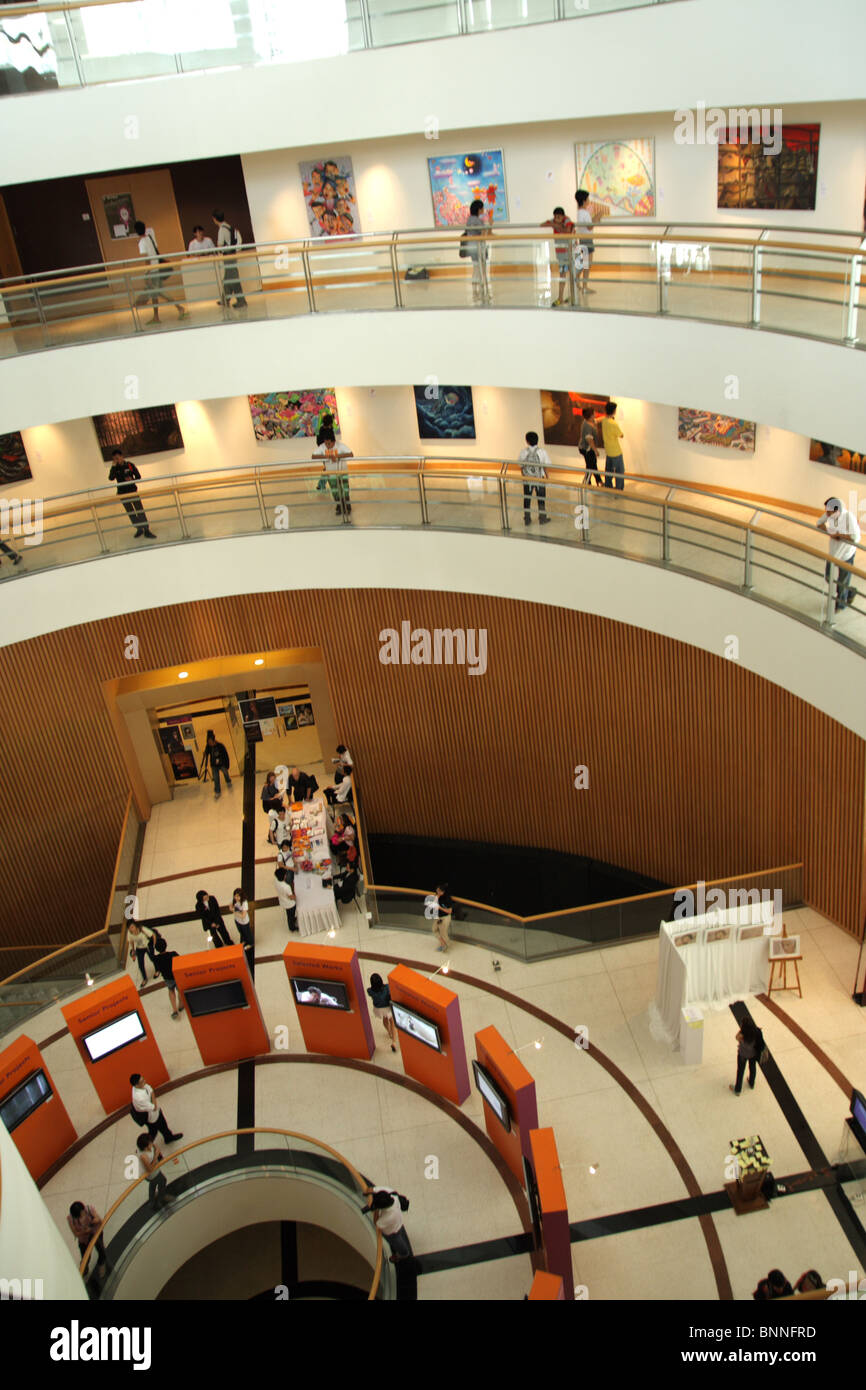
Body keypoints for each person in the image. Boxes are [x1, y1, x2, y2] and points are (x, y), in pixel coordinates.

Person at [133, 219, 187, 325]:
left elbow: (146, 259)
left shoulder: (142, 243)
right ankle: (156, 316)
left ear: (136, 231)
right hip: (156, 268)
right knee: (155, 293)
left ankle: (179, 307)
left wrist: (147, 272)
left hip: (152, 271)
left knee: (159, 292)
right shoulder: (149, 238)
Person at [816, 497, 860, 612]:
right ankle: (850, 592)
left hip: (846, 555)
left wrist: (838, 535)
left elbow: (855, 537)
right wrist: (828, 531)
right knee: (828, 577)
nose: (827, 514)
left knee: (842, 582)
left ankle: (840, 605)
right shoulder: (829, 515)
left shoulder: (848, 517)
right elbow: (819, 523)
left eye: (829, 512)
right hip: (833, 553)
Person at [108, 449, 155, 539]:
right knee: (131, 513)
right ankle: (139, 528)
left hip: (132, 491)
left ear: (122, 457)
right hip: (122, 493)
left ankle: (146, 529)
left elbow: (138, 477)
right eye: (114, 459)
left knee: (139, 510)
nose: (116, 460)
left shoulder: (129, 465)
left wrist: (131, 480)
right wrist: (113, 467)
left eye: (117, 458)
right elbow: (111, 478)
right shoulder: (115, 468)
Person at [130, 1073, 183, 1144]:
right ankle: (146, 1145)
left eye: (143, 1079)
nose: (145, 1081)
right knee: (155, 1129)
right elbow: (154, 1107)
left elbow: (150, 1089)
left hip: (152, 1112)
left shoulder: (139, 1086)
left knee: (159, 1127)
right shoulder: (139, 1098)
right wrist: (153, 1099)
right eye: (142, 1081)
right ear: (136, 1085)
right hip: (151, 1116)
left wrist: (153, 1099)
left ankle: (167, 1138)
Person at [362, 1187, 411, 1263]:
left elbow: (377, 1224)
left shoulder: (389, 1217)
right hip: (398, 1222)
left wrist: (375, 1209)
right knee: (399, 1237)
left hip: (392, 1232)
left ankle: (403, 1255)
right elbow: (371, 1189)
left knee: (399, 1245)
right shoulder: (394, 1196)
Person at [312, 427, 354, 517]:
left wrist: (338, 455)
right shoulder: (323, 446)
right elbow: (313, 456)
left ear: (334, 441)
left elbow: (351, 454)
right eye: (326, 443)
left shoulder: (340, 445)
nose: (327, 445)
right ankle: (339, 506)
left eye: (329, 443)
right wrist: (327, 457)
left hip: (342, 472)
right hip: (330, 474)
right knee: (335, 491)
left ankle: (347, 506)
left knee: (345, 490)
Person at [540, 206, 576, 306]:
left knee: (573, 274)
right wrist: (554, 224)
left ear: (563, 216)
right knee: (563, 274)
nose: (557, 219)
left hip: (570, 252)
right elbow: (542, 225)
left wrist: (557, 225)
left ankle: (572, 296)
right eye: (555, 217)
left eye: (559, 217)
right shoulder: (554, 220)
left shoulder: (567, 220)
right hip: (561, 254)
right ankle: (561, 297)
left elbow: (568, 231)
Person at [212, 210, 247, 309]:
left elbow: (220, 244)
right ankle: (225, 300)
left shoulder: (222, 229)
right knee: (228, 278)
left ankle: (241, 301)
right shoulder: (229, 227)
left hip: (227, 256)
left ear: (214, 219)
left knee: (232, 279)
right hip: (233, 255)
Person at [136, 1132, 177, 1211]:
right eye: (150, 1143)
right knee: (162, 1180)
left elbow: (156, 1147)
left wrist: (158, 1153)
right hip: (152, 1174)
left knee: (153, 1184)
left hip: (155, 1170)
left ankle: (152, 1200)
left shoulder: (149, 1146)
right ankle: (161, 1197)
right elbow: (150, 1169)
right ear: (145, 1147)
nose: (152, 1144)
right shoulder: (144, 1156)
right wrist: (156, 1156)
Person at [518, 430, 551, 526]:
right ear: (537, 440)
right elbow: (545, 466)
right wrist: (547, 477)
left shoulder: (523, 452)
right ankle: (542, 518)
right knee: (541, 498)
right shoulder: (542, 452)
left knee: (527, 498)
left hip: (527, 480)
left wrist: (524, 477)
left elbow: (521, 466)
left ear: (527, 441)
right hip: (539, 479)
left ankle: (527, 518)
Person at [67, 1201, 107, 1275]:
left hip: (95, 1233)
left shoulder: (89, 1209)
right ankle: (84, 1270)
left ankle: (101, 1265)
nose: (81, 1217)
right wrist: (85, 1232)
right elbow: (76, 1233)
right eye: (78, 1216)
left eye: (81, 1214)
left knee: (101, 1249)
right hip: (83, 1239)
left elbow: (99, 1220)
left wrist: (93, 1222)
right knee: (85, 1257)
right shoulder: (70, 1219)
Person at [463, 198, 491, 304]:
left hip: (471, 247)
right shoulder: (478, 221)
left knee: (475, 269)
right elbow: (484, 234)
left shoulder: (469, 220)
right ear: (479, 209)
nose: (483, 210)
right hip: (479, 247)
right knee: (481, 270)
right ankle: (483, 291)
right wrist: (489, 225)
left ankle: (475, 292)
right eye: (482, 208)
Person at [730, 1016, 765, 1095]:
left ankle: (738, 1089)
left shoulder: (742, 1035)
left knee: (740, 1071)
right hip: (753, 1054)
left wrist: (741, 1031)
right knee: (752, 1068)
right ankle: (751, 1083)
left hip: (743, 1055)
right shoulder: (757, 1032)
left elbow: (736, 1037)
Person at [151, 932, 183, 1019]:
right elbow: (181, 961)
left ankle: (174, 1010)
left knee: (171, 991)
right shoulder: (173, 954)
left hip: (167, 978)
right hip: (176, 976)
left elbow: (157, 969)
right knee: (179, 990)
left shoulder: (156, 959)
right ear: (166, 945)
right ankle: (180, 1005)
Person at [367, 972, 396, 1052]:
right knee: (392, 1022)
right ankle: (393, 1041)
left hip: (378, 1008)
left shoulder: (370, 991)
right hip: (387, 1007)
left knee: (384, 1019)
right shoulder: (387, 988)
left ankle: (389, 1032)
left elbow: (369, 992)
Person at [574, 189, 595, 294]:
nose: (589, 200)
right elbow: (589, 227)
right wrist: (598, 217)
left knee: (585, 263)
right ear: (584, 200)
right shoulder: (585, 213)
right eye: (587, 199)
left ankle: (577, 280)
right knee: (587, 263)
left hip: (582, 239)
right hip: (587, 239)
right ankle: (584, 286)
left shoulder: (579, 212)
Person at [601, 401, 625, 491]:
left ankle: (608, 487)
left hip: (608, 450)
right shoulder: (613, 424)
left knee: (608, 471)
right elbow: (621, 435)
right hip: (616, 451)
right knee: (619, 472)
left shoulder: (604, 420)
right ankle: (619, 489)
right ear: (614, 411)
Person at [201, 729, 232, 798]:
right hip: (213, 765)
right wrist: (205, 753)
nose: (209, 743)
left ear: (213, 740)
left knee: (225, 773)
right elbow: (207, 753)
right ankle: (217, 791)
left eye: (210, 742)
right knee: (216, 778)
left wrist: (227, 764)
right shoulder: (208, 747)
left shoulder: (220, 746)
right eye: (208, 742)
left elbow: (225, 755)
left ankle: (228, 780)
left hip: (221, 764)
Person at [127, 920, 155, 990]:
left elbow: (153, 935)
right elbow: (131, 941)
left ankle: (158, 970)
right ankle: (145, 978)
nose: (131, 929)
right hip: (139, 948)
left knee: (152, 958)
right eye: (129, 928)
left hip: (147, 946)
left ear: (136, 926)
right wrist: (133, 950)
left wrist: (153, 946)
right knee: (140, 964)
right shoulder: (130, 933)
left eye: (132, 927)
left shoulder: (142, 929)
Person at [579, 406, 602, 486]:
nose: (595, 414)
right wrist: (595, 450)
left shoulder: (589, 421)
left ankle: (591, 481)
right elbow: (589, 440)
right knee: (592, 465)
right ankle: (596, 481)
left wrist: (606, 416)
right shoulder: (587, 426)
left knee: (591, 464)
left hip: (588, 448)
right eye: (594, 413)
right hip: (586, 449)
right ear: (591, 415)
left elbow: (597, 420)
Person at [274, 866, 297, 933]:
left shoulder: (276, 881)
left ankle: (292, 922)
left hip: (283, 901)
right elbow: (291, 897)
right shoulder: (286, 887)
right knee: (291, 915)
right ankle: (292, 927)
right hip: (290, 904)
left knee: (289, 915)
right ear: (284, 876)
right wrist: (296, 897)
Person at [432, 883, 453, 952]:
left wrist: (440, 908)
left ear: (443, 892)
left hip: (445, 917)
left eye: (439, 891)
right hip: (438, 916)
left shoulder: (448, 899)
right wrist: (437, 896)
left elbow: (449, 911)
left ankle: (445, 945)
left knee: (443, 932)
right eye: (437, 891)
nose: (437, 892)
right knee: (434, 929)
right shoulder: (437, 896)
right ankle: (443, 943)